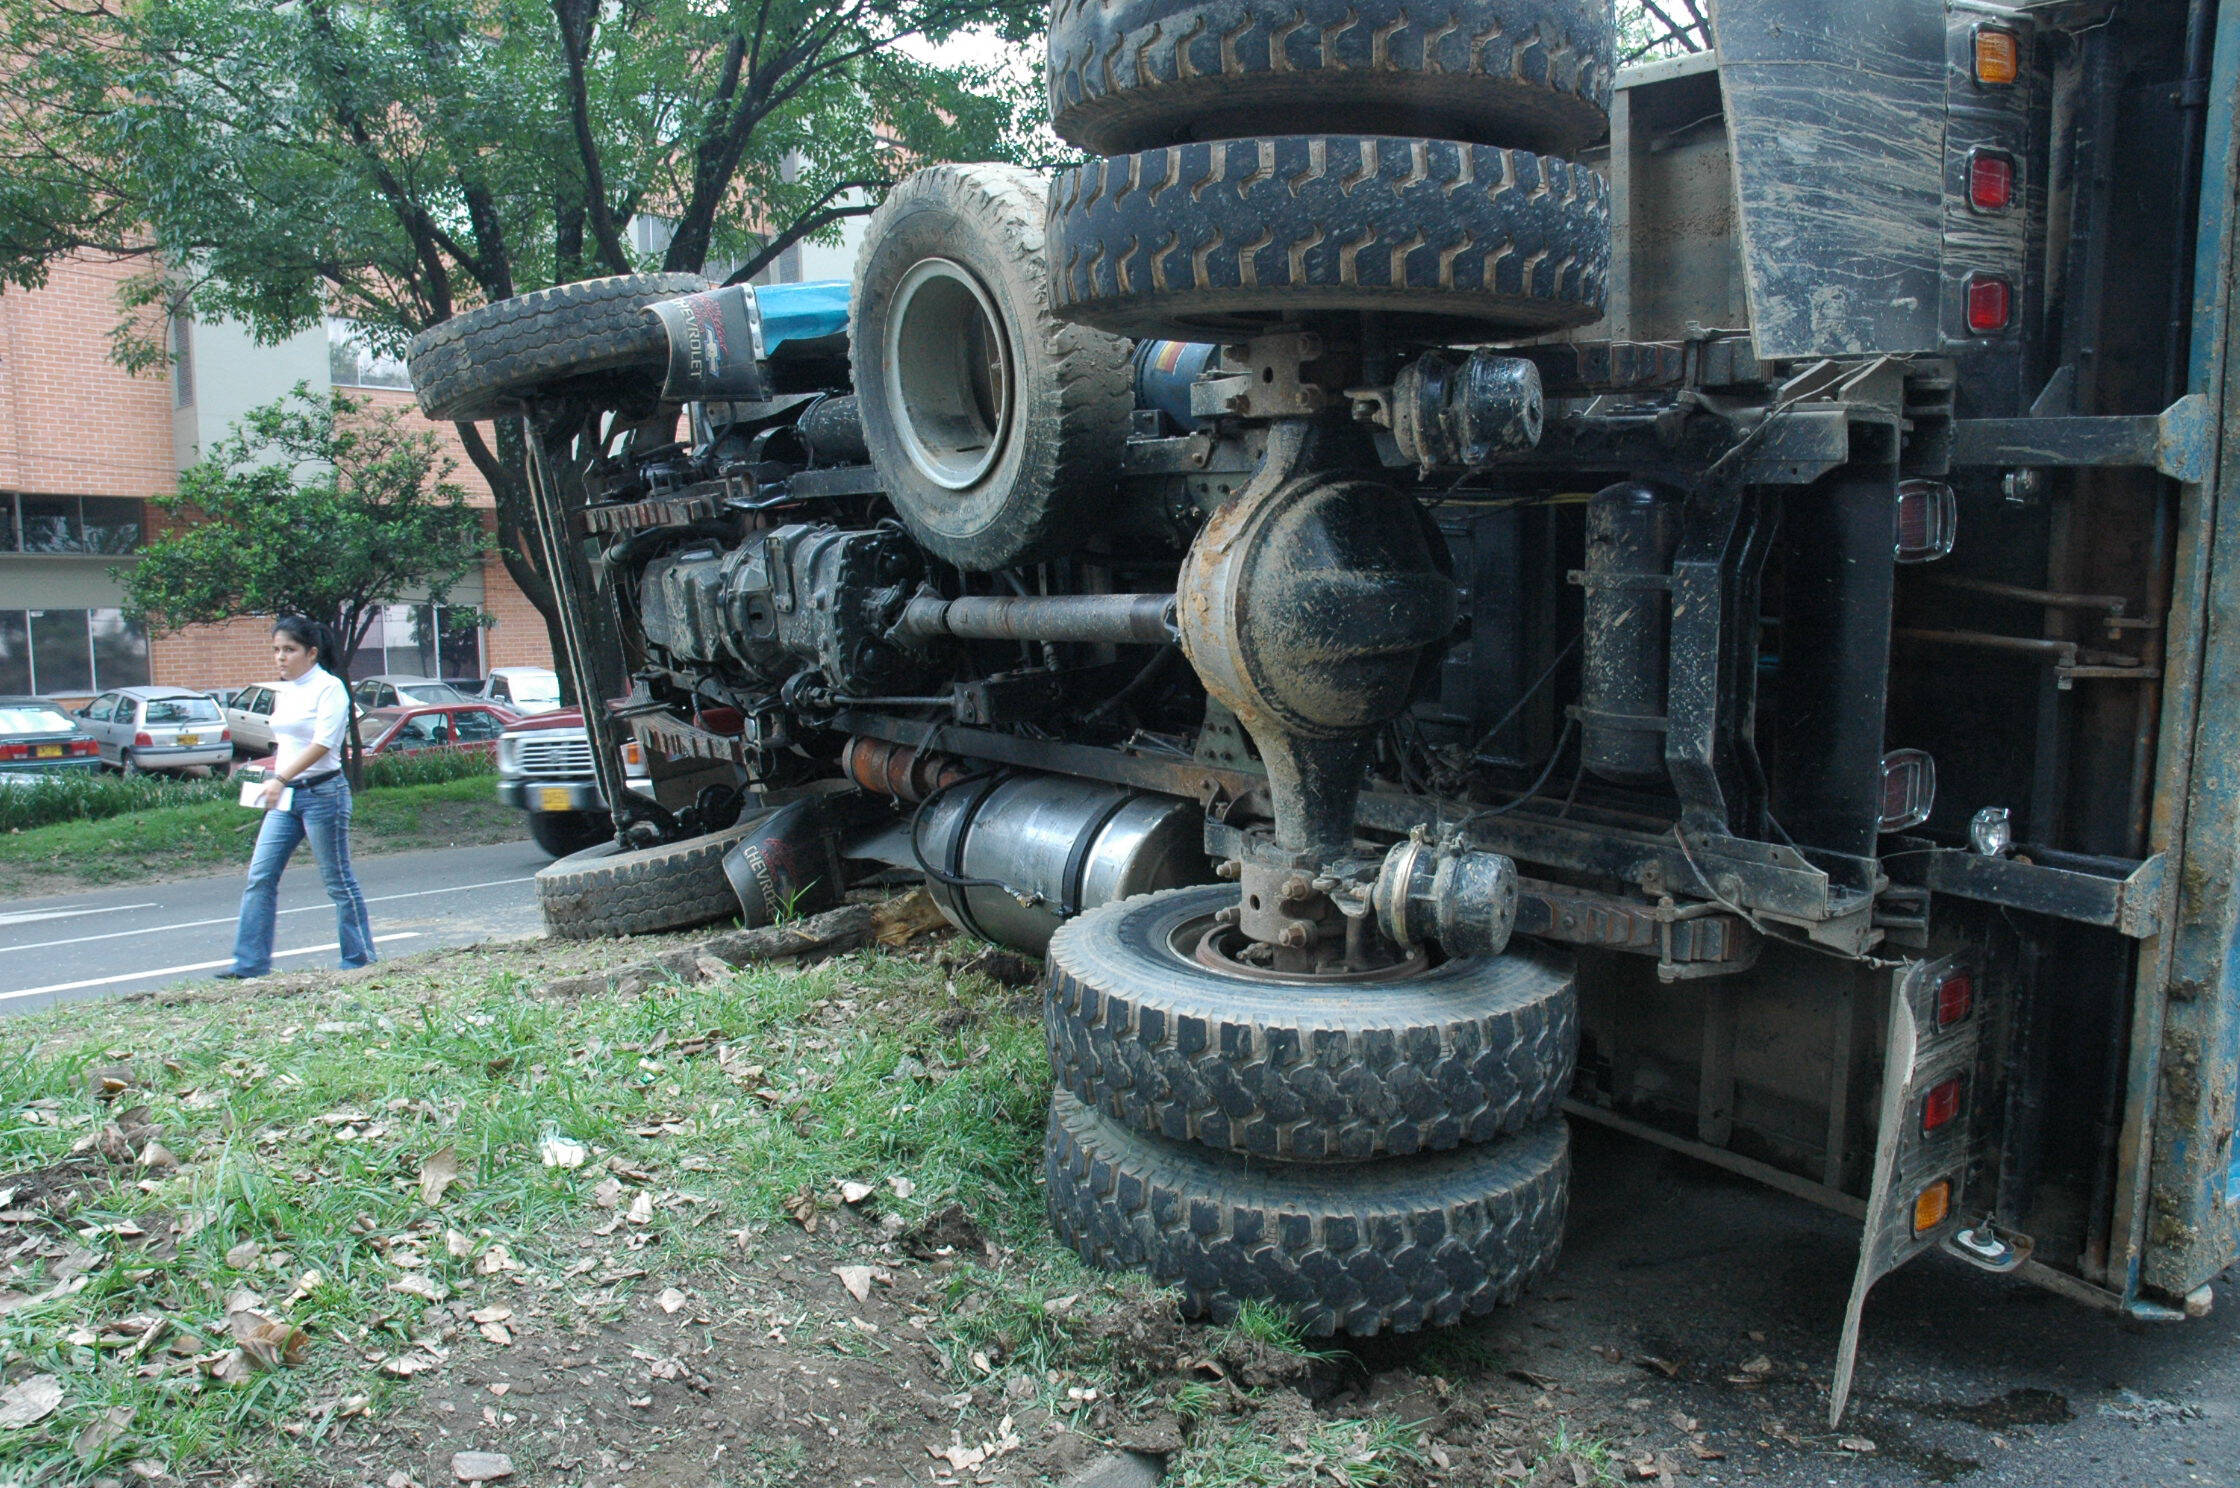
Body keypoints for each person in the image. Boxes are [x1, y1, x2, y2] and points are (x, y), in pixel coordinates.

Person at [219, 617, 377, 978]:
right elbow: (285, 743)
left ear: (311, 652)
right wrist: (264, 778)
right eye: (276, 650)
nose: (280, 657)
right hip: (285, 796)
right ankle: (249, 964)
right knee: (260, 876)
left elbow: (323, 745)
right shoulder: (285, 690)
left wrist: (282, 778)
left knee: (338, 881)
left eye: (288, 650)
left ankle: (359, 960)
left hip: (324, 793)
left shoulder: (330, 688)